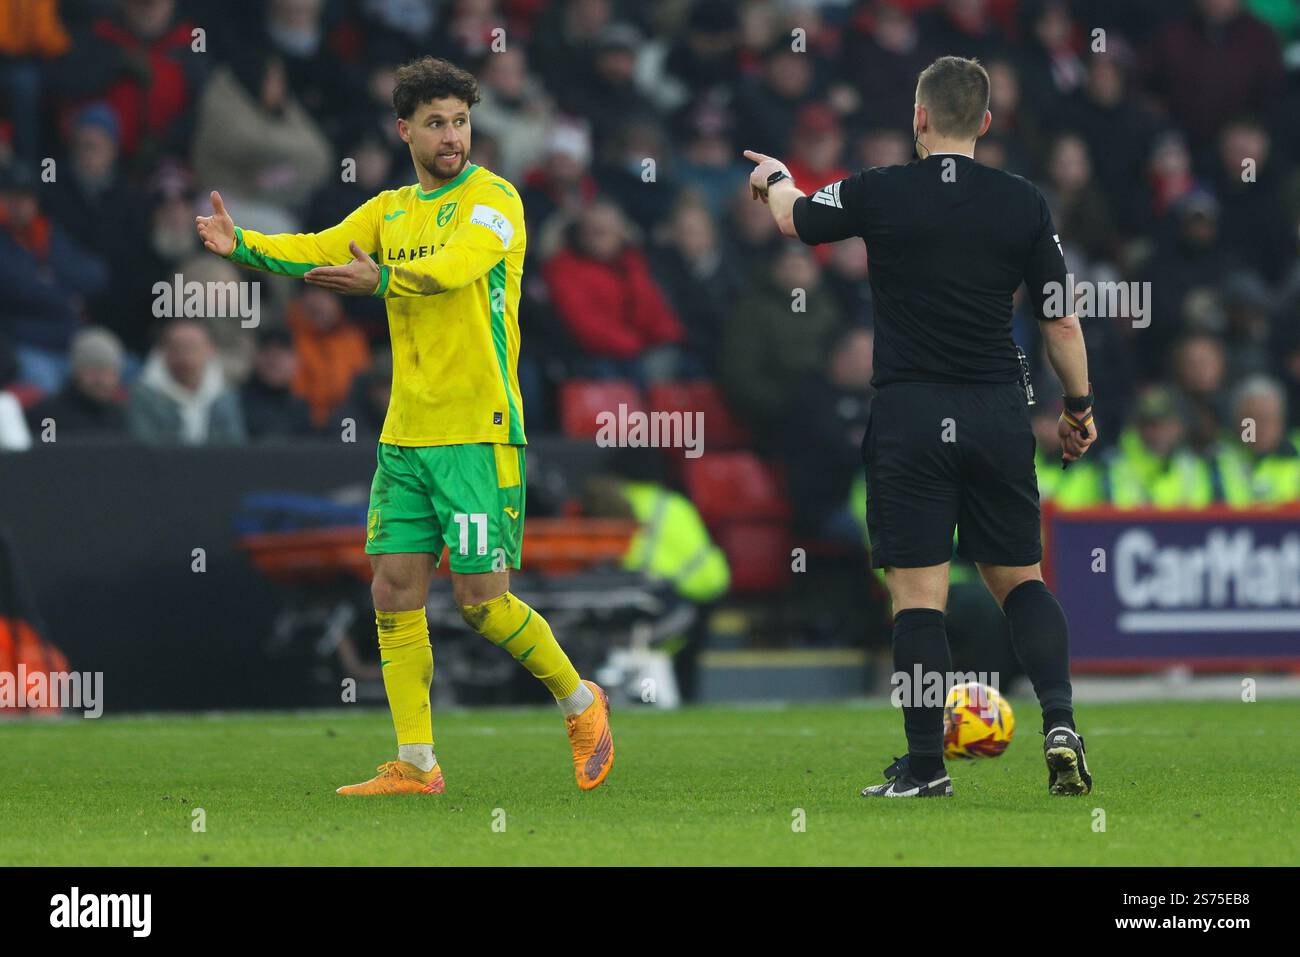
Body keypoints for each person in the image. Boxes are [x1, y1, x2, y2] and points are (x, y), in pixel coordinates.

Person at [196, 56, 613, 796]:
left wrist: (383, 280)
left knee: (485, 603)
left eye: (460, 121)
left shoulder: (496, 200)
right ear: (404, 130)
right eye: (436, 124)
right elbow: (322, 248)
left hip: (476, 432)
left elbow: (454, 269)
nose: (452, 136)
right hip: (404, 435)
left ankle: (581, 702)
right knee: (392, 591)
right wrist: (245, 246)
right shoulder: (390, 210)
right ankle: (417, 763)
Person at [744, 56, 1097, 798]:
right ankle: (1060, 720)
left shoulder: (882, 189)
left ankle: (925, 766)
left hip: (910, 412)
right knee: (1020, 580)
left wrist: (776, 176)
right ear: (987, 123)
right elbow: (1060, 317)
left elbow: (795, 219)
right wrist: (1078, 407)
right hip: (999, 408)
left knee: (918, 595)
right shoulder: (1024, 202)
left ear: (919, 118)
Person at [125, 317, 246, 446]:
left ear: (210, 349)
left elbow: (235, 444)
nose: (184, 355)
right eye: (176, 347)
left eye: (191, 347)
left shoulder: (225, 394)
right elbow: (144, 447)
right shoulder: (143, 394)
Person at [25, 327, 128, 441]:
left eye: (109, 372)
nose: (102, 380)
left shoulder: (120, 417)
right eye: (94, 371)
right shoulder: (47, 417)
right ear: (76, 371)